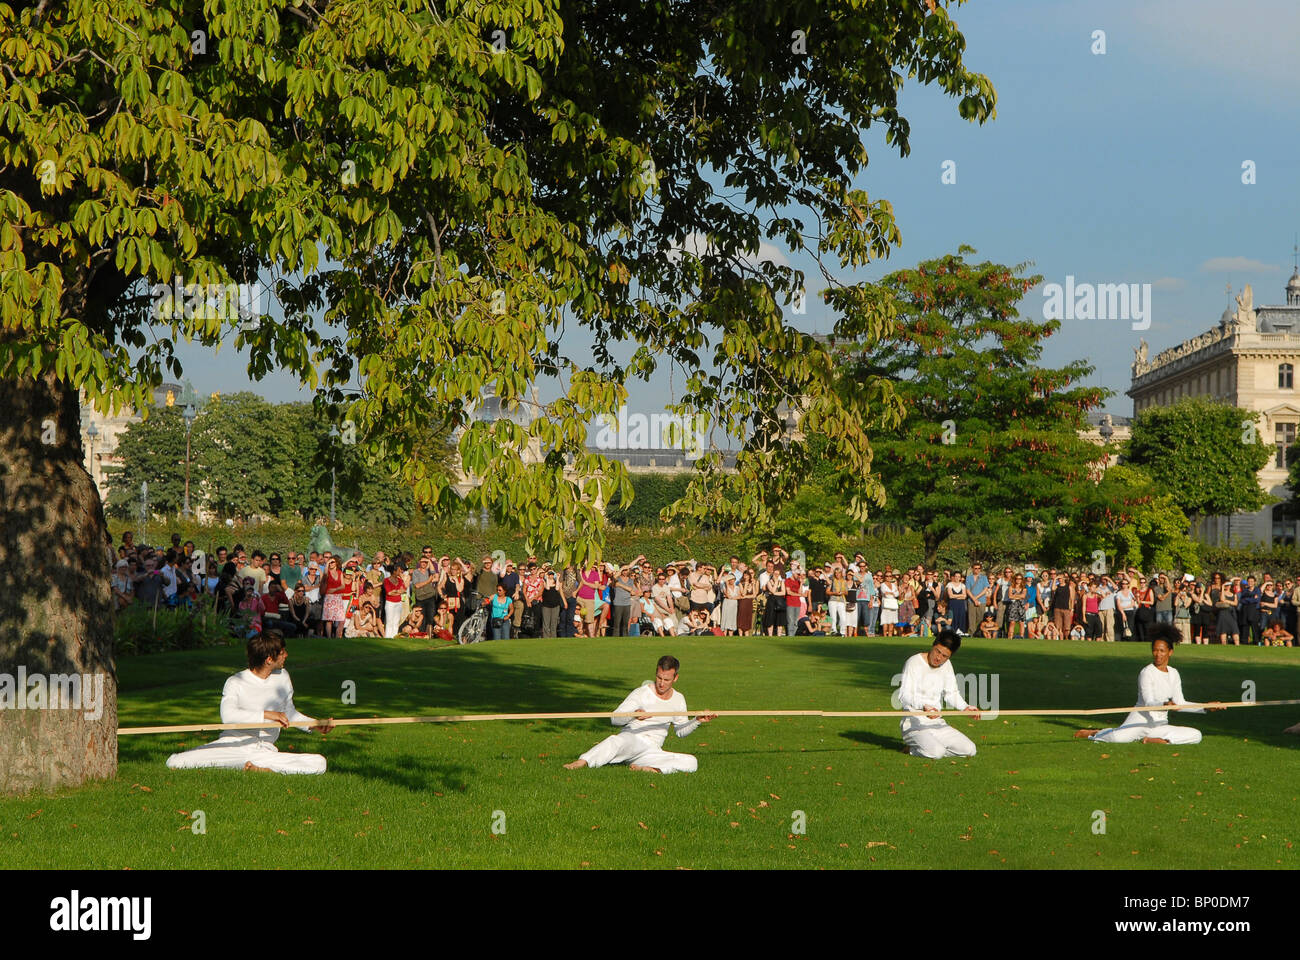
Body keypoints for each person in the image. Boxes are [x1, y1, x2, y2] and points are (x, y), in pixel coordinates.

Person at [165, 632, 334, 774]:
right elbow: (228, 716)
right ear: (269, 659)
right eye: (282, 652)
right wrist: (267, 715)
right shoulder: (235, 682)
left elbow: (288, 713)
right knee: (175, 762)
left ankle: (262, 767)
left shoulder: (283, 677)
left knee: (319, 763)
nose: (286, 655)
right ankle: (244, 764)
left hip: (264, 750)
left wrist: (314, 724)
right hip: (232, 744)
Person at [562, 656, 715, 774]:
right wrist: (633, 715)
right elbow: (614, 719)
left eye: (666, 680)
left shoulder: (678, 699)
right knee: (616, 741)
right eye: (659, 677)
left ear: (675, 678)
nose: (661, 683)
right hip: (632, 739)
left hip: (652, 750)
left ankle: (651, 769)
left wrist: (697, 721)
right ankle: (583, 761)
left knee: (692, 762)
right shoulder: (641, 693)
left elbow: (680, 731)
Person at [1075, 624, 1223, 745]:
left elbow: (1180, 703)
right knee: (1117, 739)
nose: (1157, 654)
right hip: (1140, 721)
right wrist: (1164, 704)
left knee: (1196, 735)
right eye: (1155, 650)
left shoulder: (1174, 673)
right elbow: (1149, 702)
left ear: (1170, 652)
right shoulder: (1147, 672)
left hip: (1159, 725)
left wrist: (1206, 707)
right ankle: (1095, 733)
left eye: (1162, 651)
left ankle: (1157, 741)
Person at [896, 630, 980, 759]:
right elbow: (904, 695)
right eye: (937, 651)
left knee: (970, 750)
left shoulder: (946, 665)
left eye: (945, 656)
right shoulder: (914, 662)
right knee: (937, 753)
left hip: (938, 723)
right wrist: (924, 706)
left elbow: (951, 693)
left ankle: (928, 747)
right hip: (914, 724)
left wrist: (965, 707)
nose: (938, 658)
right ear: (933, 645)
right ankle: (913, 748)